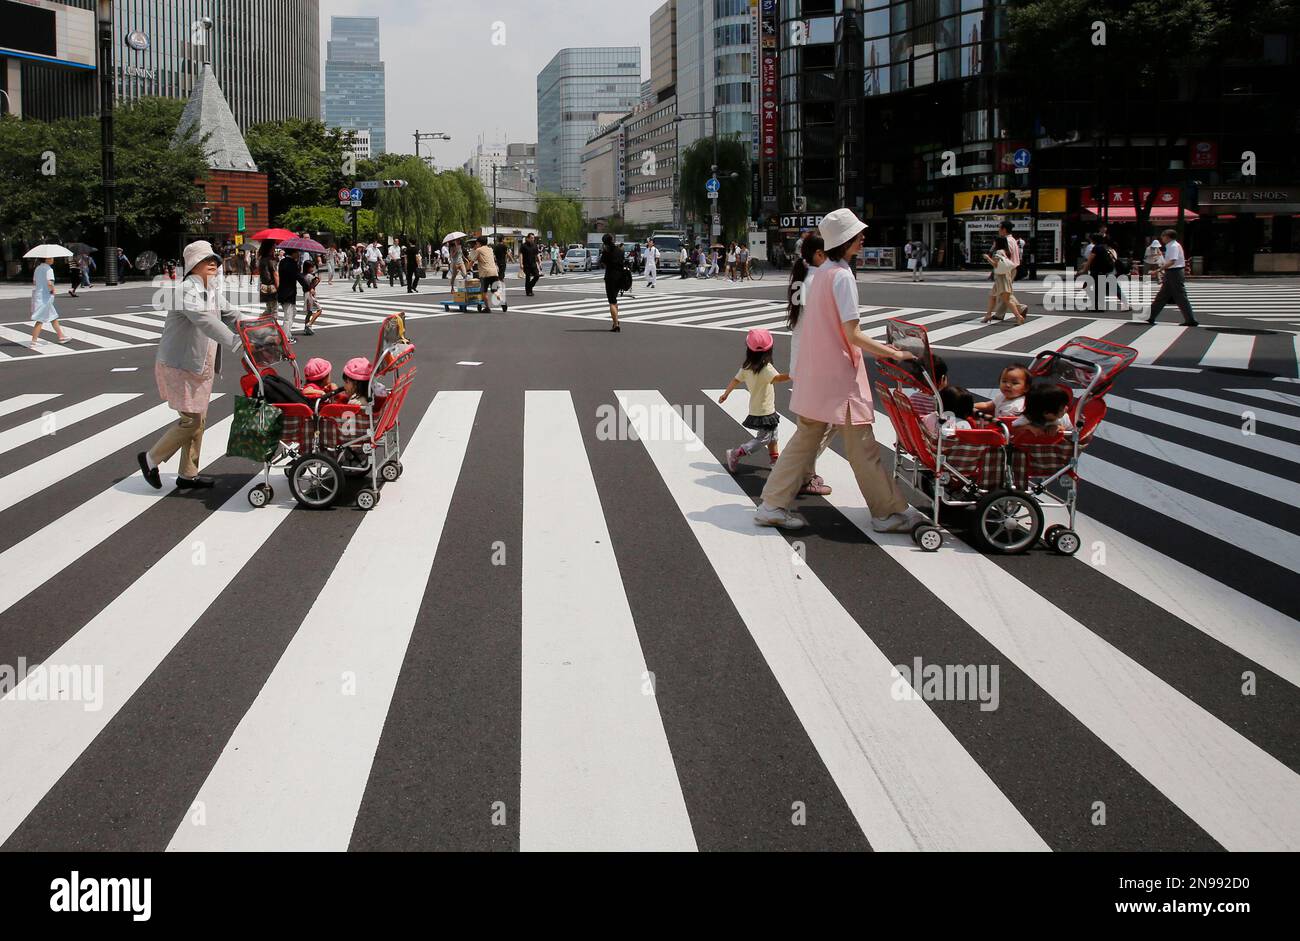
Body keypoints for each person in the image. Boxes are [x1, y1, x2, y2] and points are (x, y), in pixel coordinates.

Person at [755, 208, 923, 532]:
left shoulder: (820, 273)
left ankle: (771, 504)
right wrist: (895, 353)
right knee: (863, 446)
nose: (863, 237)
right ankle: (887, 513)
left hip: (816, 373)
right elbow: (853, 334)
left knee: (804, 441)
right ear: (845, 240)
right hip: (839, 377)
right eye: (858, 234)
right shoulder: (842, 275)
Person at [136, 240, 243, 492]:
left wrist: (255, 329)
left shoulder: (211, 287)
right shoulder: (186, 291)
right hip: (180, 365)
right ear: (194, 264)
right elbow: (205, 320)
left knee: (199, 418)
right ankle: (150, 459)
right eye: (207, 260)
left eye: (215, 260)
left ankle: (188, 474)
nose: (213, 264)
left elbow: (229, 314)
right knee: (191, 420)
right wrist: (235, 341)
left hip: (199, 365)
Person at [785, 232, 833, 497]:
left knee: (810, 426)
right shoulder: (818, 280)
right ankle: (803, 474)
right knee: (818, 427)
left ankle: (802, 472)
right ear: (818, 254)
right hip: (815, 365)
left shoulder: (800, 279)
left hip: (801, 362)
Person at [720, 328, 790, 470]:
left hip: (759, 408)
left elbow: (735, 380)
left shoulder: (747, 367)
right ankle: (737, 453)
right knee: (764, 438)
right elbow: (778, 378)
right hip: (765, 410)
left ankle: (774, 460)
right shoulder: (766, 368)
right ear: (769, 350)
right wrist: (793, 374)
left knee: (773, 435)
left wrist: (726, 394)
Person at [1147, 229, 1198, 326]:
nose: (1161, 238)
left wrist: (1158, 270)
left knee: (1180, 296)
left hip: (1175, 272)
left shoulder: (1173, 246)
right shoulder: (1171, 245)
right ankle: (1150, 316)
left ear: (1167, 236)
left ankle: (1191, 319)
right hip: (1172, 272)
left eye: (1162, 236)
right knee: (1162, 296)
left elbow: (1172, 261)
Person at [980, 236, 1026, 323]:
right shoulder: (1005, 251)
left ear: (998, 243)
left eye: (994, 242)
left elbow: (995, 265)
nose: (993, 244)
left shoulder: (998, 252)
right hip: (1002, 277)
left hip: (1001, 278)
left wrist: (987, 258)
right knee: (992, 296)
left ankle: (1018, 316)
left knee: (1006, 299)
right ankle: (988, 315)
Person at [29, 255, 69, 347]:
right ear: (47, 259)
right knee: (40, 318)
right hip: (46, 297)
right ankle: (33, 341)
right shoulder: (49, 269)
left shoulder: (37, 268)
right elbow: (49, 283)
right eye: (51, 258)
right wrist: (52, 290)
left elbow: (34, 282)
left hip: (38, 295)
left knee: (53, 316)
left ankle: (61, 336)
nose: (53, 260)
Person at [276, 245, 306, 339]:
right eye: (297, 252)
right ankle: (285, 337)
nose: (298, 253)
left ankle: (287, 334)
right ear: (292, 253)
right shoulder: (291, 263)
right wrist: (308, 287)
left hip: (282, 291)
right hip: (289, 293)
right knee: (288, 316)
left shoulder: (282, 261)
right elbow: (298, 276)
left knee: (293, 312)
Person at [598, 233, 625, 332]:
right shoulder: (620, 250)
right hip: (620, 277)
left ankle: (616, 324)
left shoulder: (606, 252)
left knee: (612, 301)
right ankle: (615, 321)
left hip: (610, 278)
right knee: (615, 299)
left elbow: (602, 263)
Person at [997, 221, 1026, 310]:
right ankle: (999, 314)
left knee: (1004, 292)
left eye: (999, 228)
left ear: (1004, 230)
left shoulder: (1007, 241)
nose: (998, 230)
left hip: (1007, 269)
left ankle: (1021, 308)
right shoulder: (1013, 239)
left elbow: (1007, 255)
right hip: (1013, 267)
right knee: (1003, 291)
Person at [468, 236, 502, 312]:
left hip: (485, 273)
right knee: (495, 291)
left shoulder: (479, 250)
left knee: (484, 291)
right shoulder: (490, 249)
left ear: (479, 243)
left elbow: (472, 261)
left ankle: (487, 308)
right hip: (494, 272)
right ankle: (502, 301)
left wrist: (468, 268)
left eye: (476, 243)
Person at [300, 258, 323, 336]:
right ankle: (309, 324)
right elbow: (312, 287)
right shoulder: (310, 276)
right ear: (307, 268)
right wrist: (317, 281)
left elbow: (308, 286)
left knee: (309, 312)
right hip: (310, 295)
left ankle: (306, 329)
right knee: (319, 310)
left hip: (306, 294)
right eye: (311, 267)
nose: (313, 269)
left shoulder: (303, 275)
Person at [257, 241, 279, 315]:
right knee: (274, 310)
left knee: (269, 309)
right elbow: (275, 274)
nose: (275, 248)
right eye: (274, 246)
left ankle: (261, 321)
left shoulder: (261, 259)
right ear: (270, 248)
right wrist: (279, 287)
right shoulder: (271, 260)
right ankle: (272, 326)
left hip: (264, 286)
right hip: (272, 287)